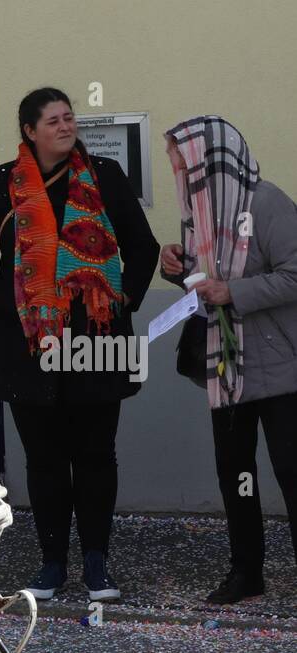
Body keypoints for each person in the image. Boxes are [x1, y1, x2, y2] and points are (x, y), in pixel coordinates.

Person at [0, 87, 158, 602]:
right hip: (28, 347)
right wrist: (4, 300)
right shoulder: (3, 185)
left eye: (70, 118)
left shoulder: (105, 178)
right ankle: (51, 564)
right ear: (29, 131)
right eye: (54, 121)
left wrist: (123, 297)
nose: (66, 127)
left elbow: (142, 246)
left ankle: (96, 563)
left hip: (97, 340)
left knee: (96, 454)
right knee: (44, 459)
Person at [161, 116, 297, 604]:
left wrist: (233, 290)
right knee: (235, 473)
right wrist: (176, 268)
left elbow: (295, 274)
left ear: (211, 155)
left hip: (282, 369)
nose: (176, 166)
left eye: (182, 157)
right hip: (228, 369)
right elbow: (204, 284)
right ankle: (246, 572)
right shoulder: (199, 210)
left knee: (292, 472)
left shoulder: (267, 202)